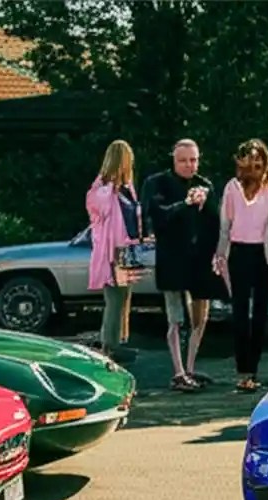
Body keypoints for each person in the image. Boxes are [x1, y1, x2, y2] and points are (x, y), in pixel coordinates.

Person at [141, 139, 222, 391]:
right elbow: (157, 216)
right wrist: (185, 204)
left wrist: (205, 202)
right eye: (184, 160)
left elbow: (217, 223)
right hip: (172, 261)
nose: (189, 165)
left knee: (201, 318)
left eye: (194, 160)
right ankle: (177, 372)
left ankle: (190, 367)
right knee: (175, 318)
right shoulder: (157, 183)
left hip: (200, 262)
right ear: (174, 160)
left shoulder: (205, 185)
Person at [214, 139, 268, 394]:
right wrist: (220, 255)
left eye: (259, 163)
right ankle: (242, 370)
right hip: (239, 252)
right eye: (250, 163)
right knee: (239, 312)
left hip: (263, 253)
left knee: (260, 313)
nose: (256, 168)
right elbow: (225, 224)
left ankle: (253, 370)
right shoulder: (232, 188)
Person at [87, 139, 142, 360]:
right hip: (112, 254)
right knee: (114, 300)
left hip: (124, 253)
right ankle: (109, 346)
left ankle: (118, 341)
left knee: (123, 299)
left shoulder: (127, 190)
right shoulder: (103, 190)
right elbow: (99, 210)